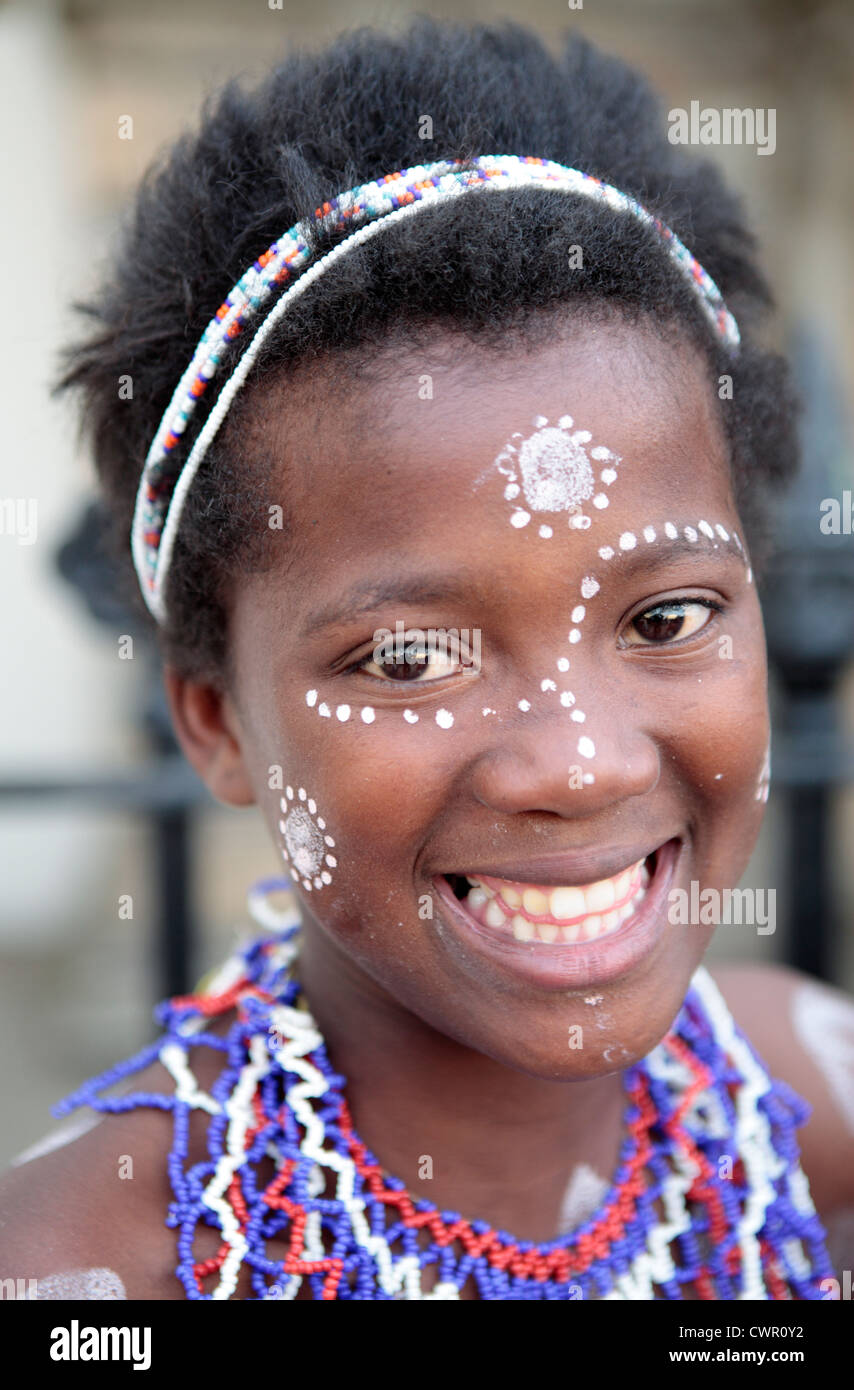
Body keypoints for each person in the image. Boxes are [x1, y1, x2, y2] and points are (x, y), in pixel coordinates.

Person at [2, 16, 852, 1301]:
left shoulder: (810, 1121)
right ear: (214, 720)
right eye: (406, 658)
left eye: (666, 619)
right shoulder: (91, 1273)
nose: (575, 760)